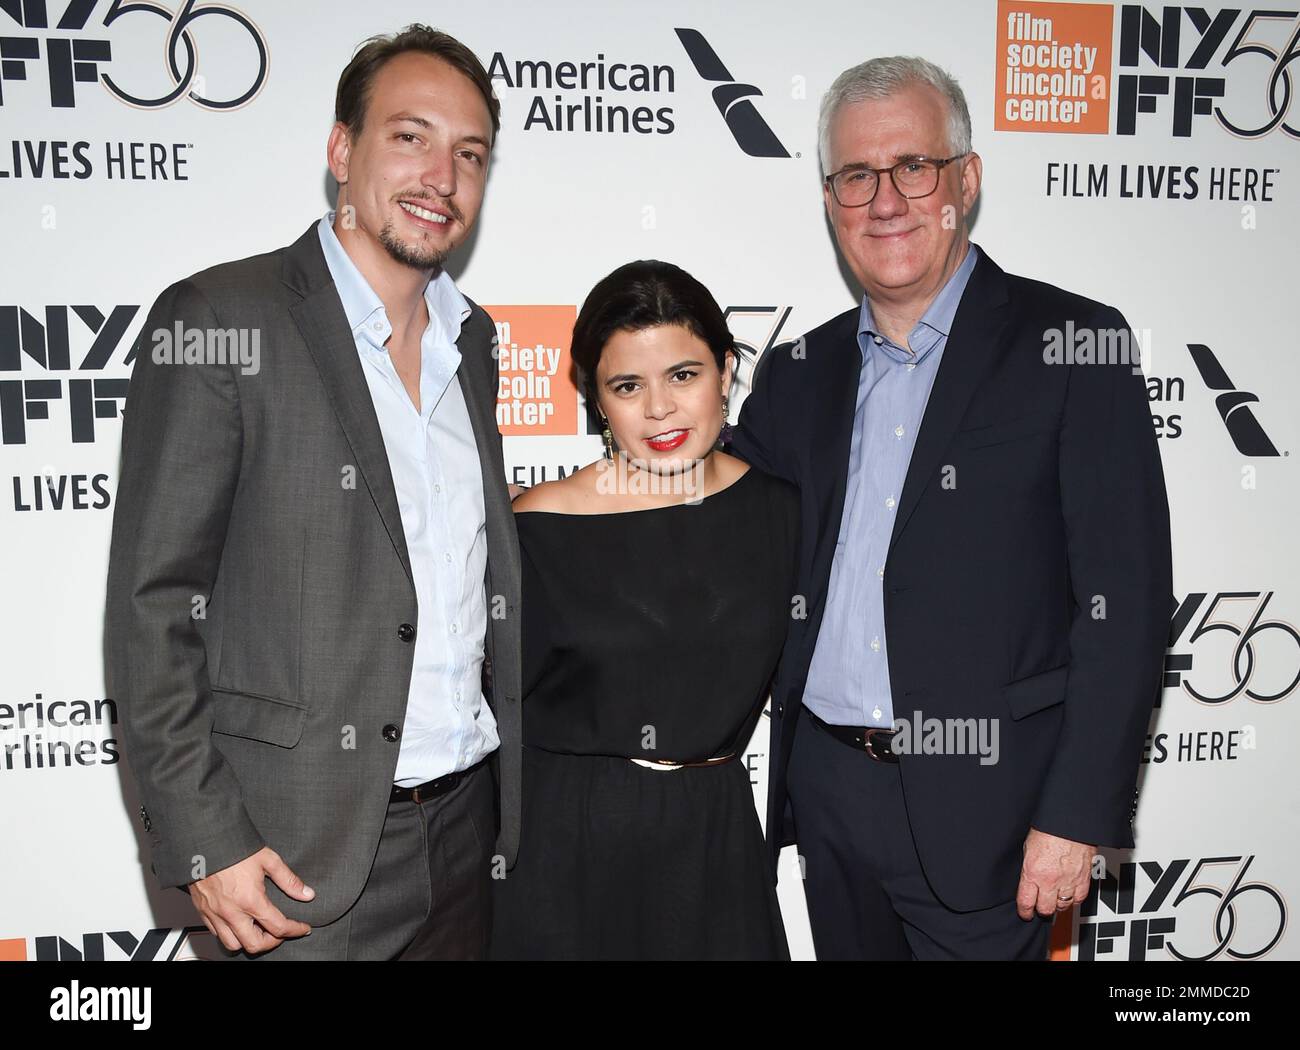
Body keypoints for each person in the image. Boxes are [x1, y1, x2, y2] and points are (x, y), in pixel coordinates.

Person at [728, 56, 1172, 960]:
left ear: (964, 181)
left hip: (996, 816)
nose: (884, 198)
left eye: (913, 167)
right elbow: (710, 538)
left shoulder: (1074, 344)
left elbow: (1124, 606)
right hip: (829, 799)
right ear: (829, 200)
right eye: (856, 175)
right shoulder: (795, 375)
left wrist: (1077, 816)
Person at [104, 25, 520, 960]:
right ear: (342, 150)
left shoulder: (475, 343)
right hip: (292, 858)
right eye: (410, 137)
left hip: (466, 836)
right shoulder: (221, 319)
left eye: (470, 153)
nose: (441, 178)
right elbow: (154, 603)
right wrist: (205, 838)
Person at [489, 260, 798, 959]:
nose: (659, 409)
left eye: (683, 375)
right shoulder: (541, 523)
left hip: (715, 837)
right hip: (564, 842)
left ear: (726, 369)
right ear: (597, 400)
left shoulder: (782, 512)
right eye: (628, 386)